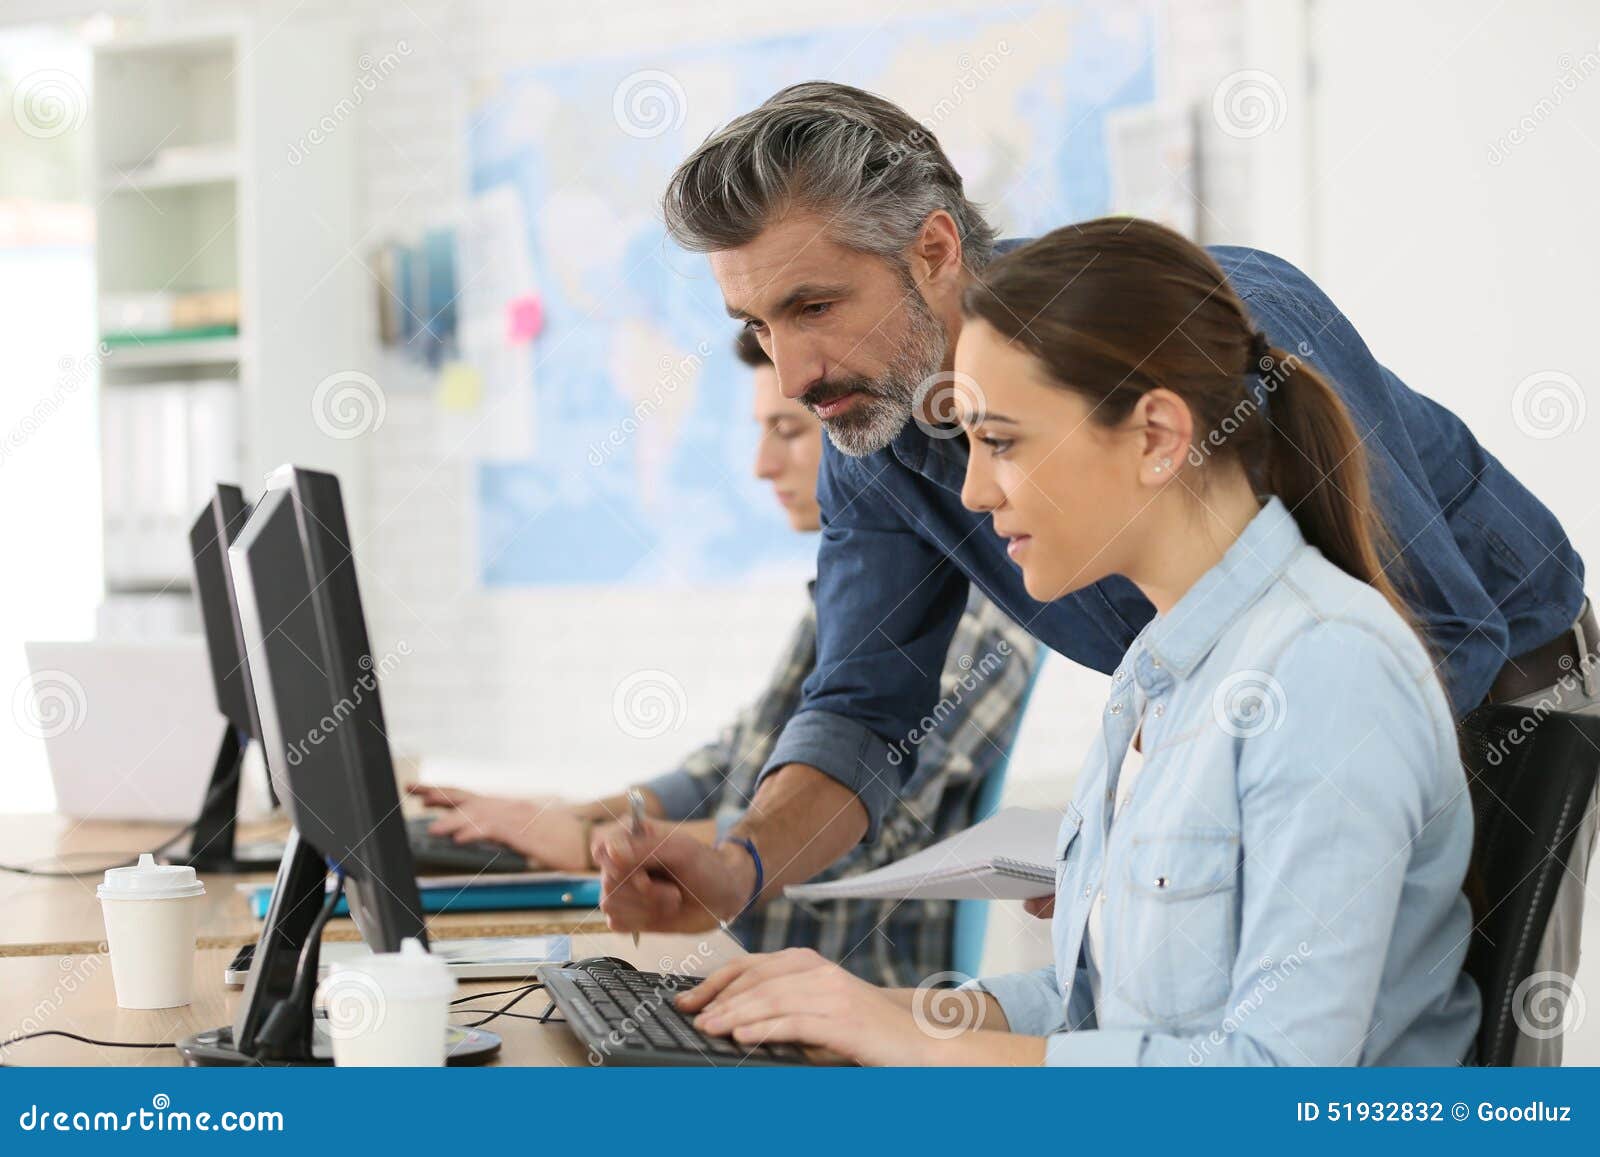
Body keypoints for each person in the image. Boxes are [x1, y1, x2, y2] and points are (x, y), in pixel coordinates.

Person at [595, 82, 1595, 1064]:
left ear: (933, 251)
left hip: (1495, 676)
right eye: (758, 327)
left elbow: (1438, 635)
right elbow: (863, 705)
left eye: (814, 304)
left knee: (1438, 1043)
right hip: (1263, 718)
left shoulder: (1208, 337)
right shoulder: (880, 436)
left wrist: (1186, 856)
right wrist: (739, 864)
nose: (792, 372)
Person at [667, 219, 1482, 1065]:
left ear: (1159, 437)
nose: (976, 492)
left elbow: (1272, 1082)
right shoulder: (1152, 672)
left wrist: (897, 1038)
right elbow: (1091, 1002)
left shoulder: (1326, 669)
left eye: (1003, 442)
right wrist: (859, 1005)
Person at [412, 328, 1039, 985]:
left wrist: (586, 841)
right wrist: (578, 818)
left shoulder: (974, 624)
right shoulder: (847, 596)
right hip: (743, 965)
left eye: (788, 433)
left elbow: (852, 839)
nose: (761, 465)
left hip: (837, 984)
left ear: (863, 434)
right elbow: (729, 763)